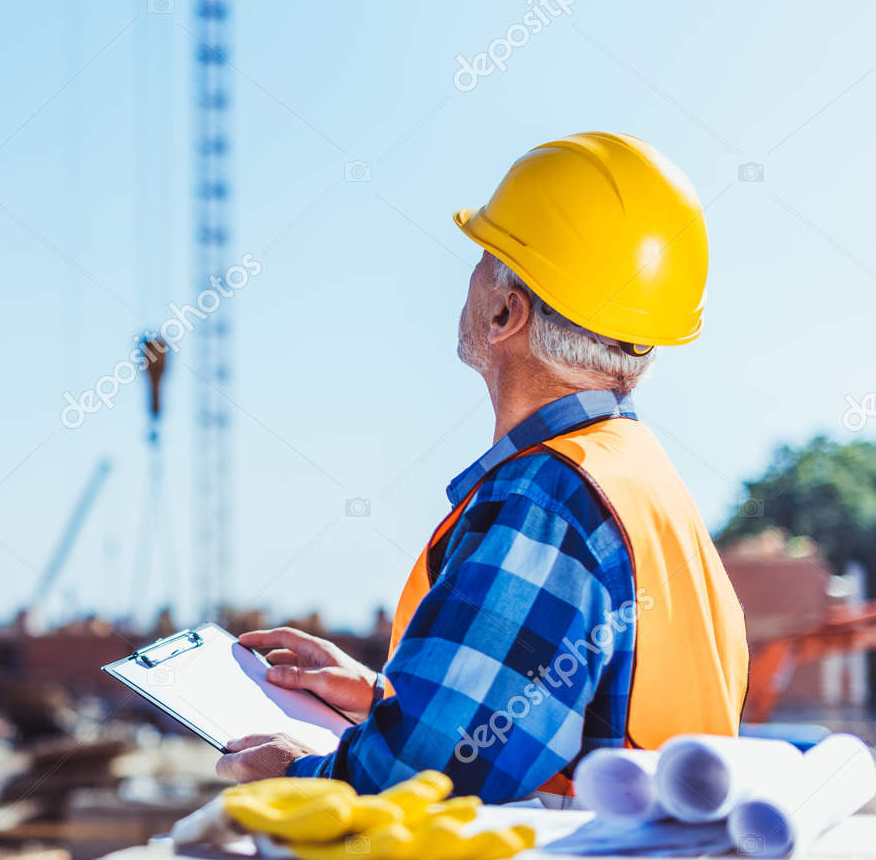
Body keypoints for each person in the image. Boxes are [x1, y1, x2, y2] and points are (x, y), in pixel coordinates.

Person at [216, 132, 748, 802]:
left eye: (485, 256)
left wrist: (292, 773)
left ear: (504, 311)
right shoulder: (642, 479)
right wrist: (387, 699)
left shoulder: (548, 499)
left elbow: (420, 783)